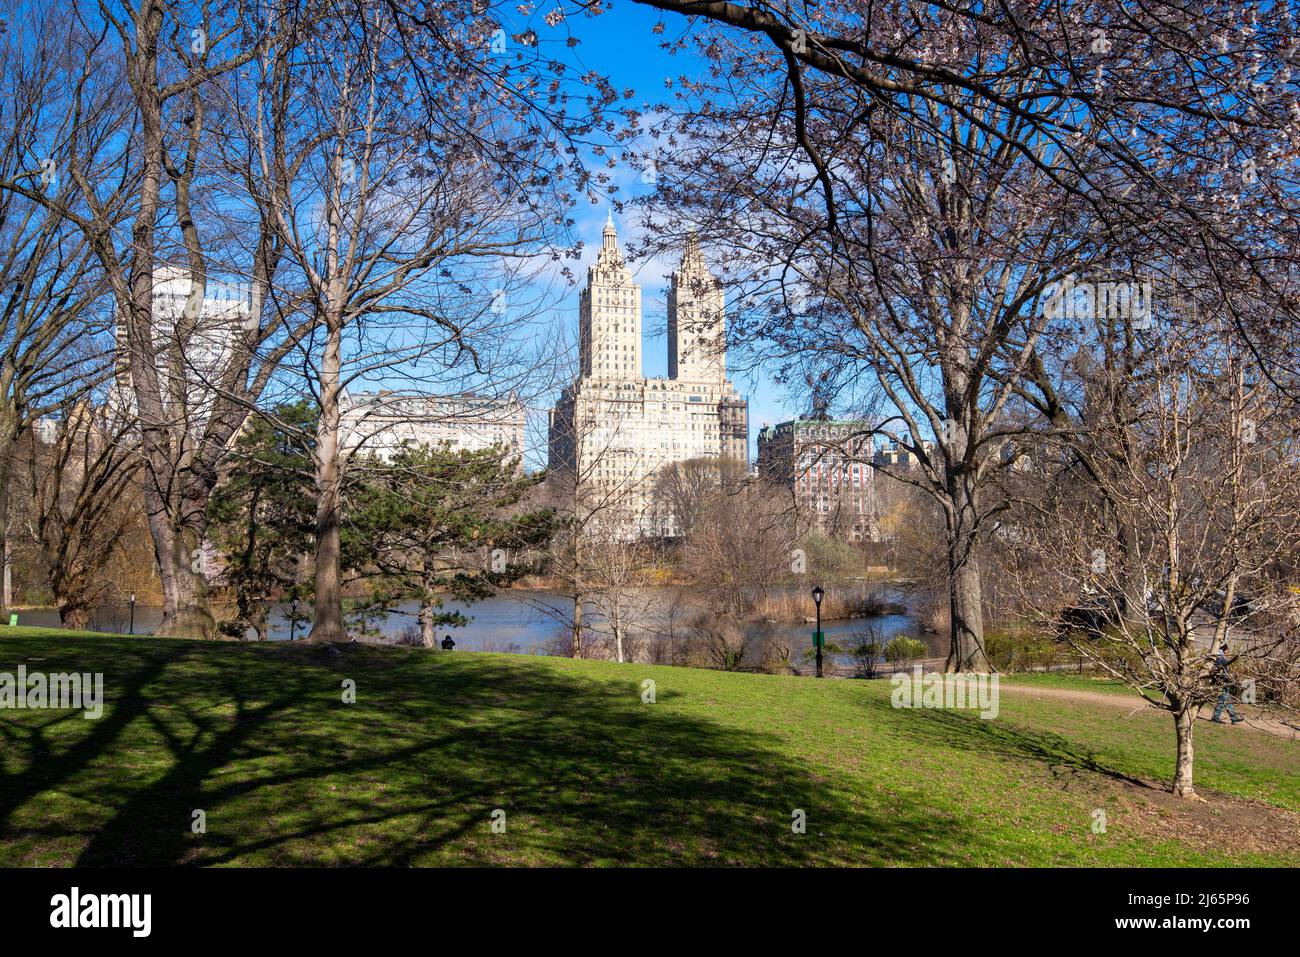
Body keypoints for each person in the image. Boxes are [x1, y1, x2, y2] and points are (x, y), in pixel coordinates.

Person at [1210, 643, 1244, 724]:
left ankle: (1234, 717)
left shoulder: (1218, 656)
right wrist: (1228, 679)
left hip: (1221, 680)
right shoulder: (1220, 657)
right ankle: (1216, 717)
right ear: (1224, 649)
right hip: (1223, 681)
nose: (1228, 651)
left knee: (1226, 698)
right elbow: (1221, 671)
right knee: (1223, 698)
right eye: (1227, 650)